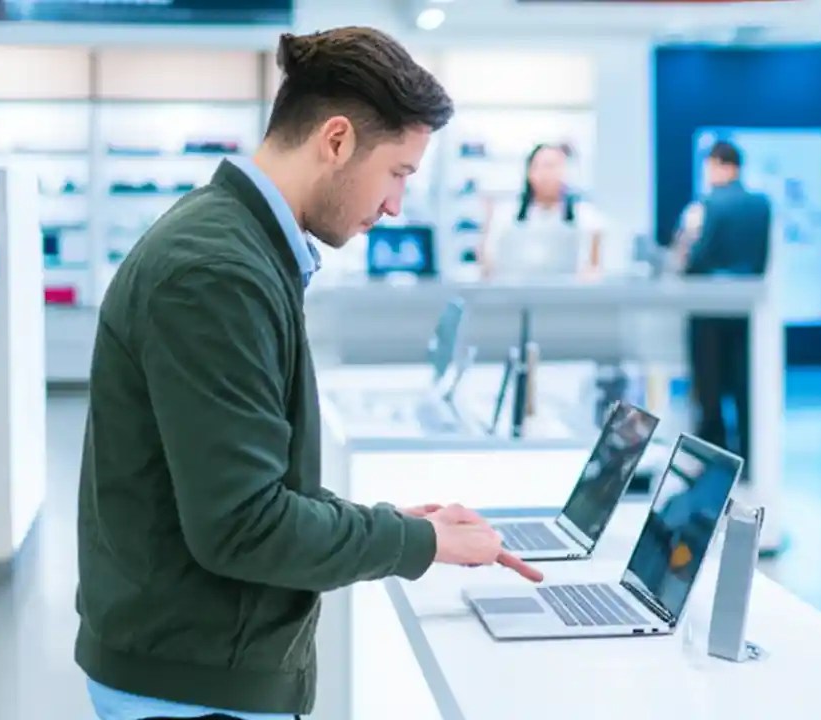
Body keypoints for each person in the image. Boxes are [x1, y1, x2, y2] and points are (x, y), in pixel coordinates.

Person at [74, 27, 542, 720]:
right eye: (398, 174)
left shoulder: (238, 247)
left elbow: (248, 484)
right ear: (336, 141)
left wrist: (389, 524)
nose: (394, 208)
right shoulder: (217, 274)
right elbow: (243, 526)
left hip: (195, 667)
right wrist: (419, 543)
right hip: (191, 687)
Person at [679, 141, 771, 476]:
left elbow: (698, 257)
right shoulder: (761, 204)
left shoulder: (709, 205)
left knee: (710, 387)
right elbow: (761, 258)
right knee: (746, 386)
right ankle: (748, 457)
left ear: (718, 164)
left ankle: (715, 459)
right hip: (746, 312)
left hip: (708, 311)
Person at [480, 143, 605, 278]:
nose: (547, 174)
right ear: (530, 172)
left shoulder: (584, 215)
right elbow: (488, 266)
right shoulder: (506, 214)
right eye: (541, 167)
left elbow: (594, 267)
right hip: (515, 294)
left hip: (565, 295)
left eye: (552, 167)